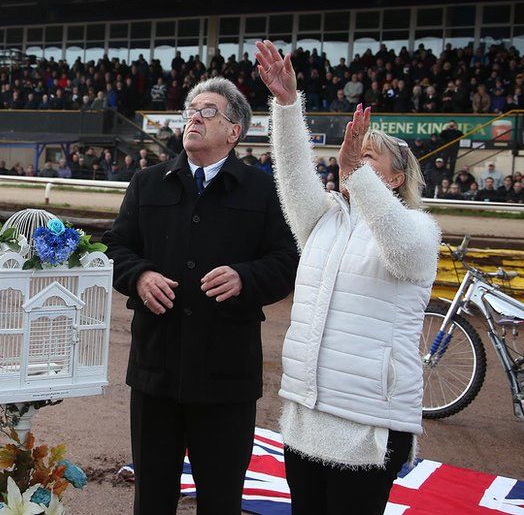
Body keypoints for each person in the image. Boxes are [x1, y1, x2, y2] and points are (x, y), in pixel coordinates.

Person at [257, 39, 440, 515]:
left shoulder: (419, 231)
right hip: (307, 412)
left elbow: (399, 247)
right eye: (351, 150)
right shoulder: (324, 220)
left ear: (396, 179)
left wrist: (354, 176)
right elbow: (294, 173)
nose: (352, 157)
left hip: (369, 422)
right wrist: (287, 104)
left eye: (368, 155)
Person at [103, 76, 298, 515]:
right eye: (191, 110)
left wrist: (247, 278)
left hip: (226, 373)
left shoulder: (263, 190)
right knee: (151, 496)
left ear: (235, 131)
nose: (194, 117)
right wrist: (139, 276)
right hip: (157, 369)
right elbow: (114, 247)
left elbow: (287, 261)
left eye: (209, 111)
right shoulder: (147, 182)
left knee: (221, 497)